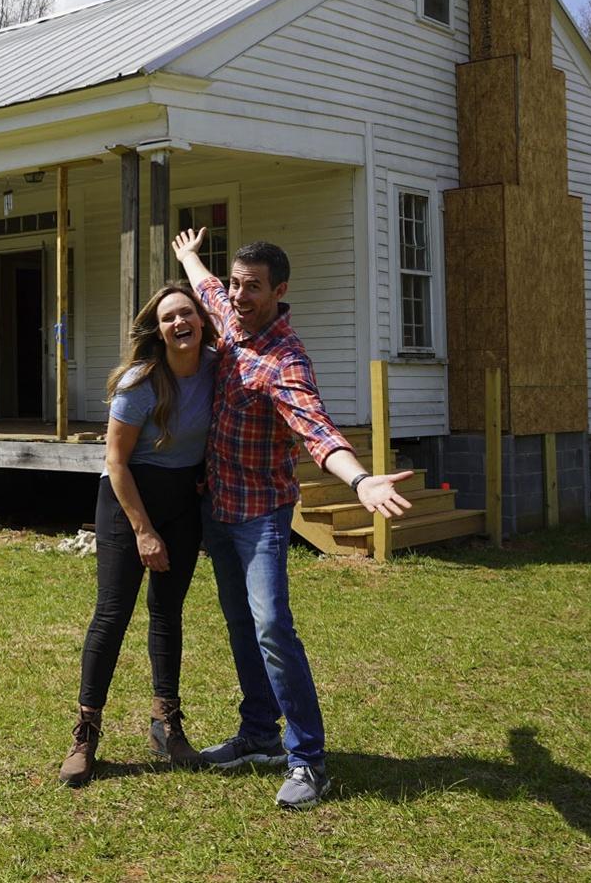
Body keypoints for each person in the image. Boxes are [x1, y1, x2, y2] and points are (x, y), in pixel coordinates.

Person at [171, 229, 413, 809]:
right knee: (242, 627)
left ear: (280, 291)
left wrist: (359, 478)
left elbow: (316, 429)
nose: (238, 294)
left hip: (261, 517)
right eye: (236, 283)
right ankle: (258, 733)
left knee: (273, 628)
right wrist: (187, 257)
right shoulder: (230, 320)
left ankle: (308, 761)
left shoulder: (286, 362)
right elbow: (206, 291)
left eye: (252, 287)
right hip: (219, 509)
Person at [59, 283, 220, 788]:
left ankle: (165, 726)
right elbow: (115, 460)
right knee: (112, 613)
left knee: (168, 613)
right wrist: (144, 531)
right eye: (169, 317)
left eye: (187, 313)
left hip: (181, 503)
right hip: (128, 502)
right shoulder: (140, 382)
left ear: (200, 320)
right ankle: (85, 734)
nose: (180, 323)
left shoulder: (217, 367)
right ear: (158, 329)